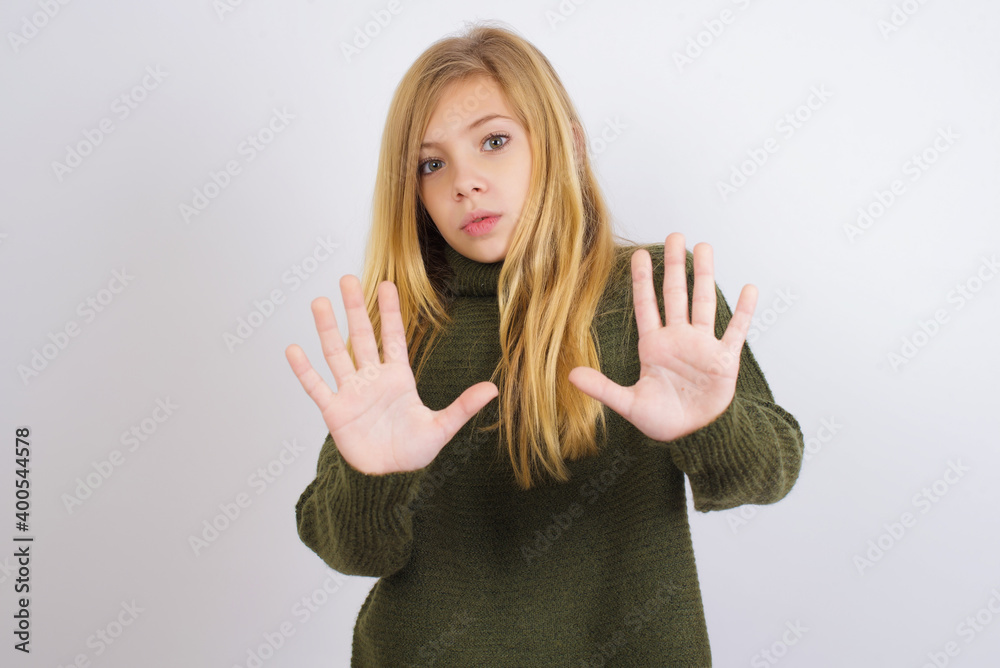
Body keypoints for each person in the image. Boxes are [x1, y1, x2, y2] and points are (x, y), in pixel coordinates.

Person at [286, 21, 804, 667]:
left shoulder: (656, 295)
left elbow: (763, 478)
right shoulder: (399, 328)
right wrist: (374, 477)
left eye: (495, 141)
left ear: (566, 143)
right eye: (431, 163)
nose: (464, 182)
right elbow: (355, 553)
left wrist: (711, 424)